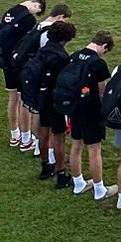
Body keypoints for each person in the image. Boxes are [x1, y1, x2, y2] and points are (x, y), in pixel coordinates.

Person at [58, 30, 115, 198]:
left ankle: (78, 183)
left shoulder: (74, 56)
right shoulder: (98, 63)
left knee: (76, 145)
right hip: (91, 110)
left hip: (74, 107)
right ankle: (99, 190)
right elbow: (101, 90)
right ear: (104, 46)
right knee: (94, 149)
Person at [23, 18, 76, 178]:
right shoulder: (61, 56)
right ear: (65, 39)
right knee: (59, 137)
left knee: (44, 133)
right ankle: (60, 172)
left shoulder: (42, 51)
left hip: (41, 97)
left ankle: (45, 166)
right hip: (55, 100)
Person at [0, 0, 42, 149]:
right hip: (20, 63)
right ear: (36, 4)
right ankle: (26, 138)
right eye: (38, 10)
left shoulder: (9, 12)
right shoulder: (28, 19)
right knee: (24, 100)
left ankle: (14, 135)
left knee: (12, 98)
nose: (36, 13)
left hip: (6, 61)